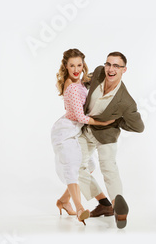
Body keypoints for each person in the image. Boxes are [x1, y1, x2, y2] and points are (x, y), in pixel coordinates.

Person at [78, 51, 144, 229]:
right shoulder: (99, 72)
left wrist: (116, 121)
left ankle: (117, 205)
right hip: (86, 129)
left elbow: (139, 127)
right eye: (108, 64)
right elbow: (86, 83)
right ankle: (104, 204)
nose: (110, 68)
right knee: (76, 166)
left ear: (124, 70)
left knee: (108, 167)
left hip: (107, 134)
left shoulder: (126, 102)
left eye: (116, 66)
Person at [51, 48, 114, 225]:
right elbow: (80, 117)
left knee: (88, 166)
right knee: (73, 167)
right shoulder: (71, 87)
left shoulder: (79, 81)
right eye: (72, 66)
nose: (76, 69)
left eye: (79, 65)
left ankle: (63, 200)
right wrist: (103, 122)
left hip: (76, 130)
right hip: (67, 130)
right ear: (66, 66)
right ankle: (79, 208)